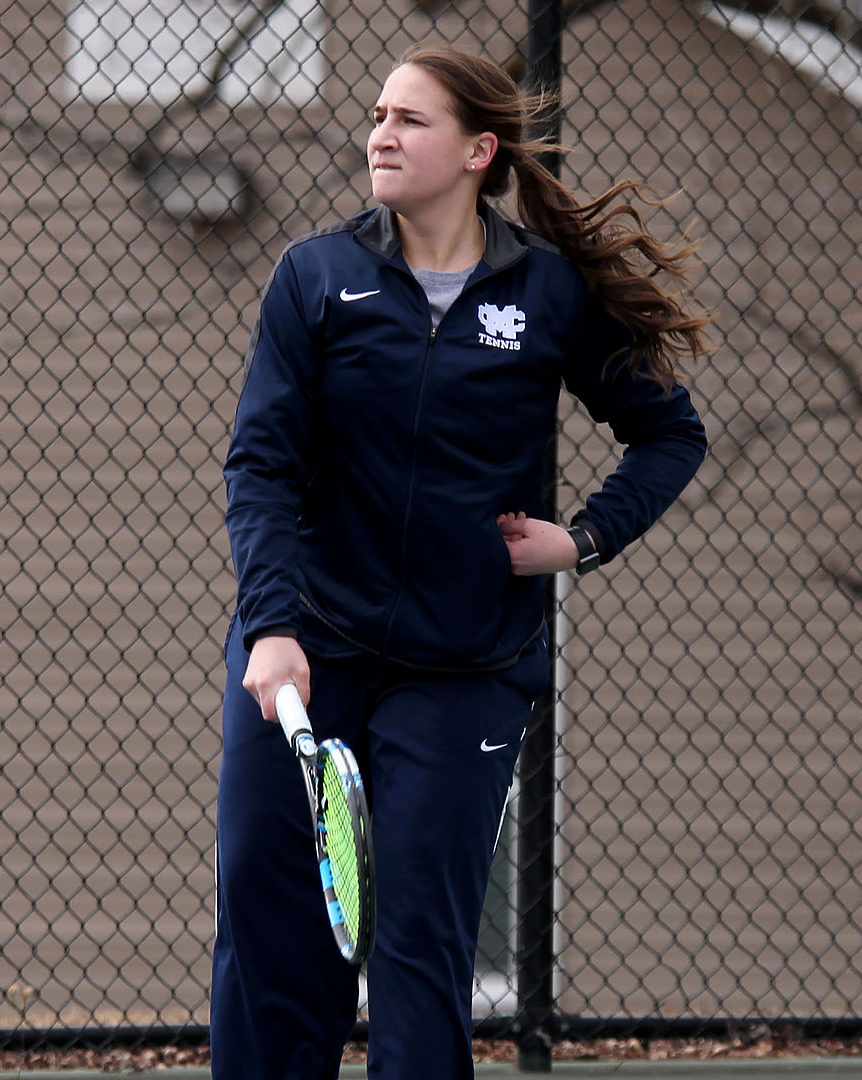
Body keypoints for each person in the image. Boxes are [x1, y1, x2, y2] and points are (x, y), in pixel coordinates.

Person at [213, 42, 711, 1079]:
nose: (381, 136)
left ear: (479, 150)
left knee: (416, 954)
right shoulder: (316, 277)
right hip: (307, 654)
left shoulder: (549, 294)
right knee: (274, 955)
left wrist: (583, 538)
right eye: (377, 116)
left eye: (410, 120)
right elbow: (260, 464)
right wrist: (271, 628)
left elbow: (669, 433)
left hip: (467, 671)